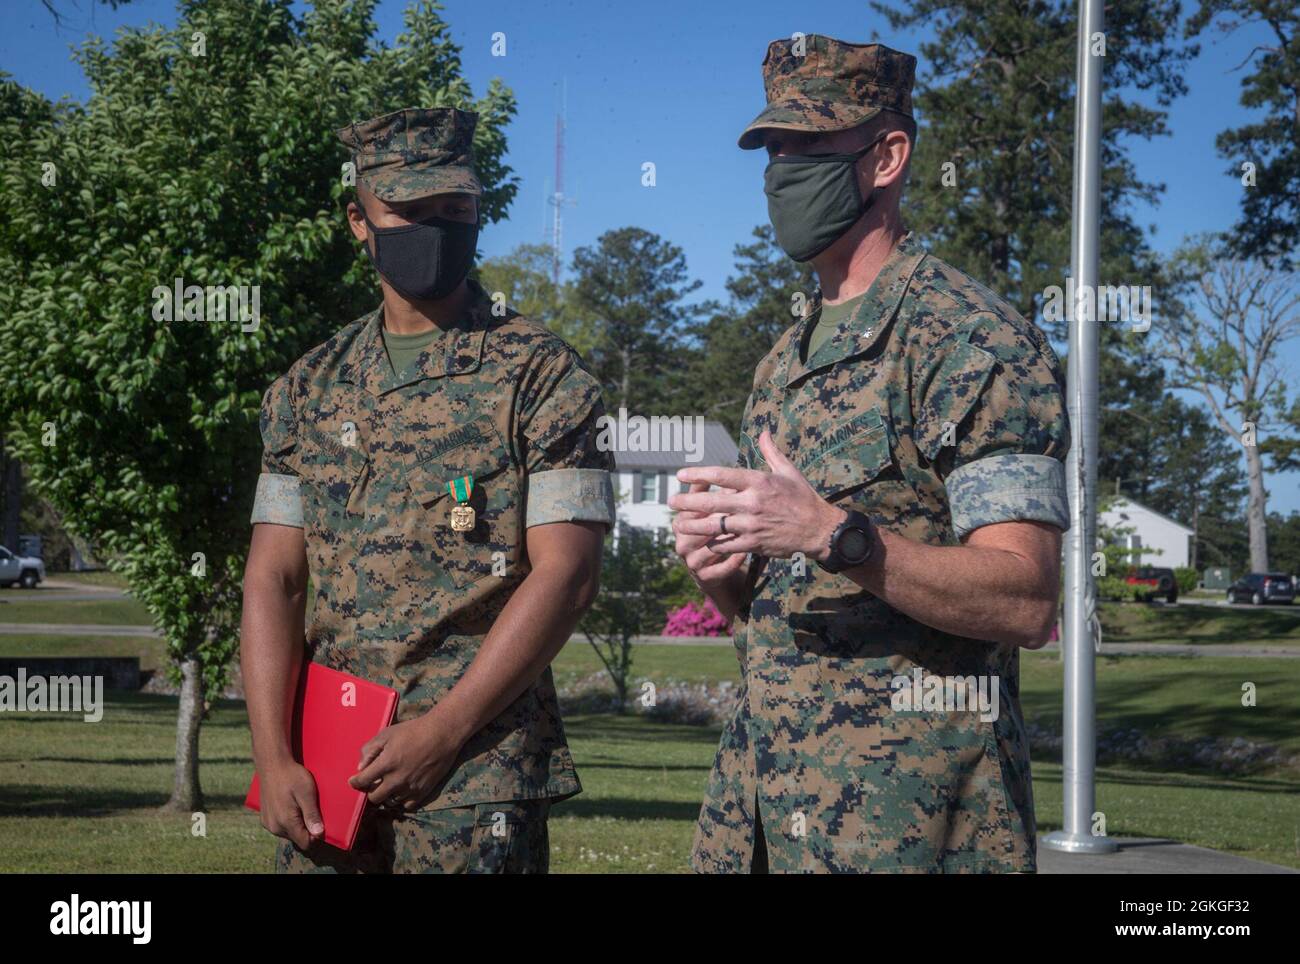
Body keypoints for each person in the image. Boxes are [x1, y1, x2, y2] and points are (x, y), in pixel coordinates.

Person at [671, 36, 1070, 873]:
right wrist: (724, 580)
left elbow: (1027, 600)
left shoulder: (972, 341)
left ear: (887, 156)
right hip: (762, 813)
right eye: (775, 151)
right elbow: (777, 627)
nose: (783, 173)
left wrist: (834, 535)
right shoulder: (783, 361)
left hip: (911, 830)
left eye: (809, 148)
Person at [240, 107, 614, 873]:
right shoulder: (308, 387)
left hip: (475, 776)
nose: (436, 229)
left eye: (456, 210)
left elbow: (567, 574)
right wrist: (273, 759)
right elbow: (274, 577)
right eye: (409, 212)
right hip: (328, 775)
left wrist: (443, 730)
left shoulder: (543, 375)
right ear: (359, 220)